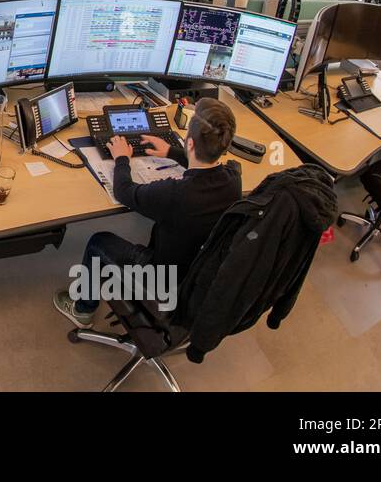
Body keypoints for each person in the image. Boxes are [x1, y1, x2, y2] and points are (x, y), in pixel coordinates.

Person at [53, 98, 242, 328]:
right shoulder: (234, 178)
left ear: (190, 144)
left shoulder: (175, 194)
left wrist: (122, 158)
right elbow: (204, 167)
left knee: (98, 241)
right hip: (197, 274)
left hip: (163, 278)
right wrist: (172, 151)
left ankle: (83, 309)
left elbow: (124, 191)